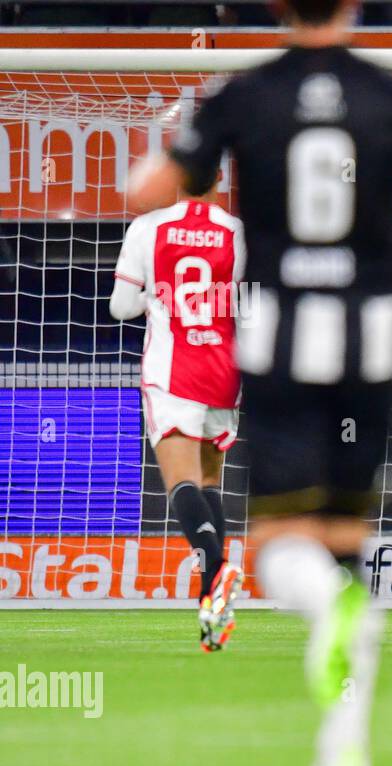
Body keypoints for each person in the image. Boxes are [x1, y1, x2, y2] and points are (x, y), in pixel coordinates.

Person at [126, 0, 392, 766]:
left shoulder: (242, 94)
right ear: (353, 5)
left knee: (278, 553)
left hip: (281, 335)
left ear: (277, 6)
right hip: (368, 338)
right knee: (347, 547)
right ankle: (343, 749)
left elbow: (148, 189)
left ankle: (335, 680)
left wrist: (190, 146)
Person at [110, 185, 245, 652]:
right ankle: (212, 607)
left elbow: (121, 307)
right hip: (224, 369)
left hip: (173, 370)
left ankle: (214, 566)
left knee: (180, 482)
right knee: (210, 483)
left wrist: (154, 295)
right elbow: (254, 305)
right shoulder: (234, 230)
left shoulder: (148, 228)